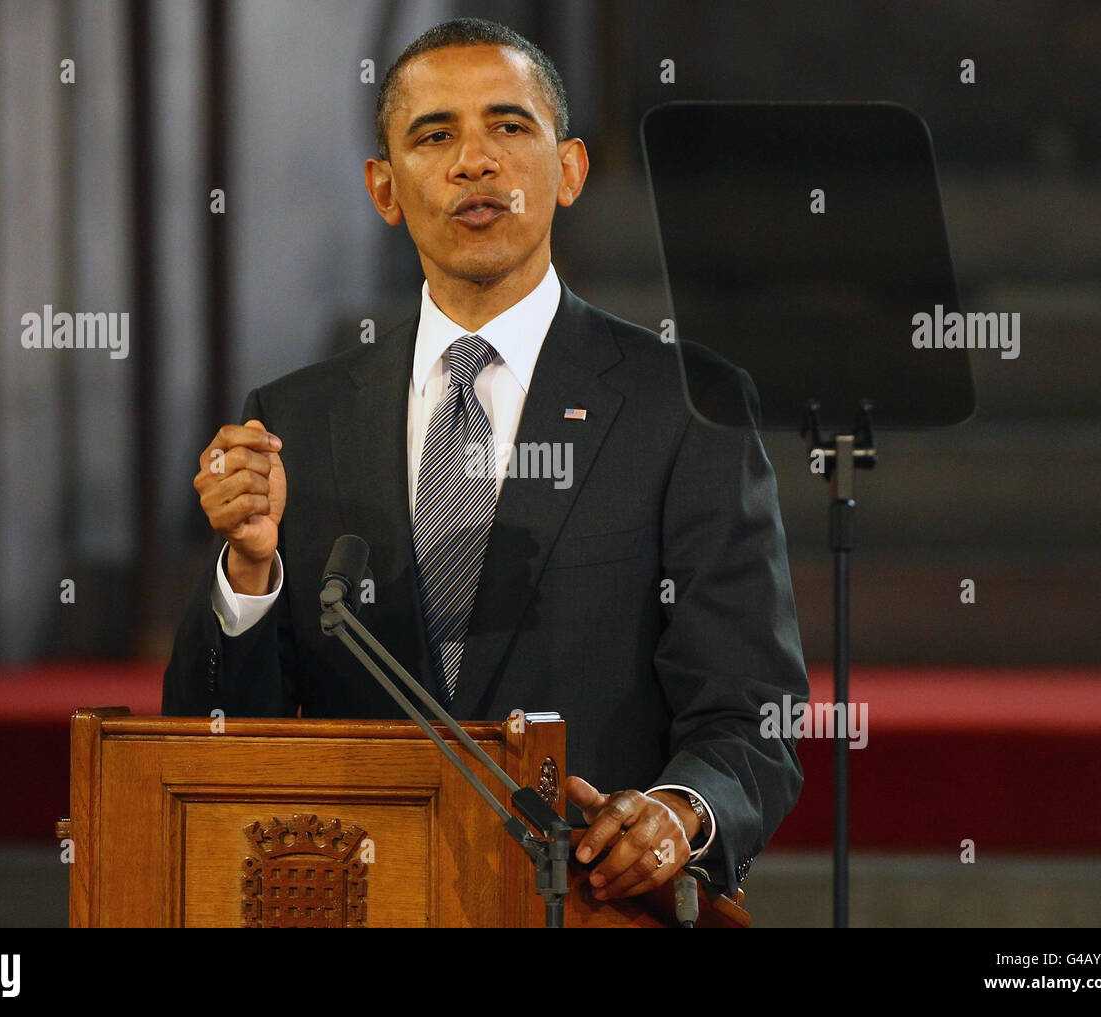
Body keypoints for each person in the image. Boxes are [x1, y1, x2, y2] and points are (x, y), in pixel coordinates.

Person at [163, 17, 809, 901]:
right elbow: (219, 733)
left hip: (585, 905)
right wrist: (247, 571)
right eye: (435, 136)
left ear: (571, 169)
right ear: (384, 190)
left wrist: (677, 813)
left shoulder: (688, 406)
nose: (475, 161)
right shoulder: (295, 422)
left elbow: (749, 715)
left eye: (509, 127)